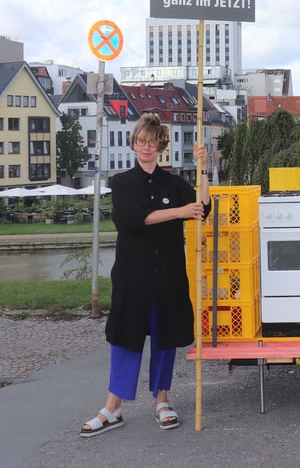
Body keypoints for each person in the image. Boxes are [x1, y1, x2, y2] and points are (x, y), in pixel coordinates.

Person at [80, 112, 212, 438]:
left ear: (161, 146)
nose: (146, 148)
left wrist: (204, 168)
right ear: (134, 143)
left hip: (167, 274)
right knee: (125, 338)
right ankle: (113, 407)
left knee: (166, 338)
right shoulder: (122, 182)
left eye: (152, 143)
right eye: (141, 142)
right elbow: (131, 220)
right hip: (132, 275)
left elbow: (203, 207)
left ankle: (162, 401)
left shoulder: (172, 183)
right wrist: (180, 212)